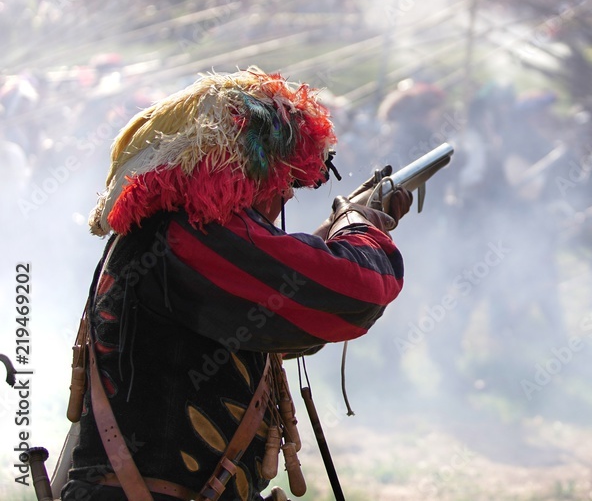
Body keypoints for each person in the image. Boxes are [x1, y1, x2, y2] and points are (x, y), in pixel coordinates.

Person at [60, 68, 412, 501]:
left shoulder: (170, 232)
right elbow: (359, 289)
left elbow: (267, 311)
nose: (288, 194)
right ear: (243, 169)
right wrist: (357, 223)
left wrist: (341, 225)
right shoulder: (188, 236)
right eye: (284, 179)